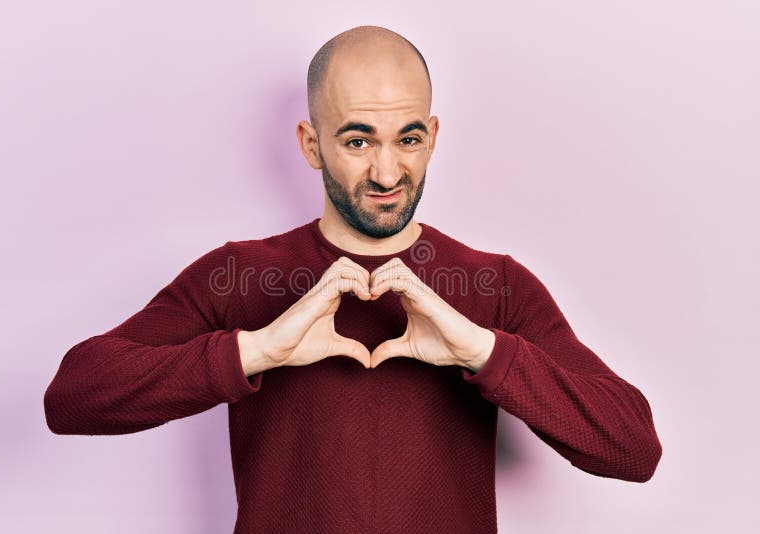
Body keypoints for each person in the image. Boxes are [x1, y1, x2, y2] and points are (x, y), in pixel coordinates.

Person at [44, 25, 662, 533]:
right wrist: (257, 350)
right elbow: (73, 397)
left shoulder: (494, 286)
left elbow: (633, 448)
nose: (388, 172)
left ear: (433, 137)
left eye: (407, 138)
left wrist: (482, 351)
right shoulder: (238, 275)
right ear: (311, 144)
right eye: (358, 141)